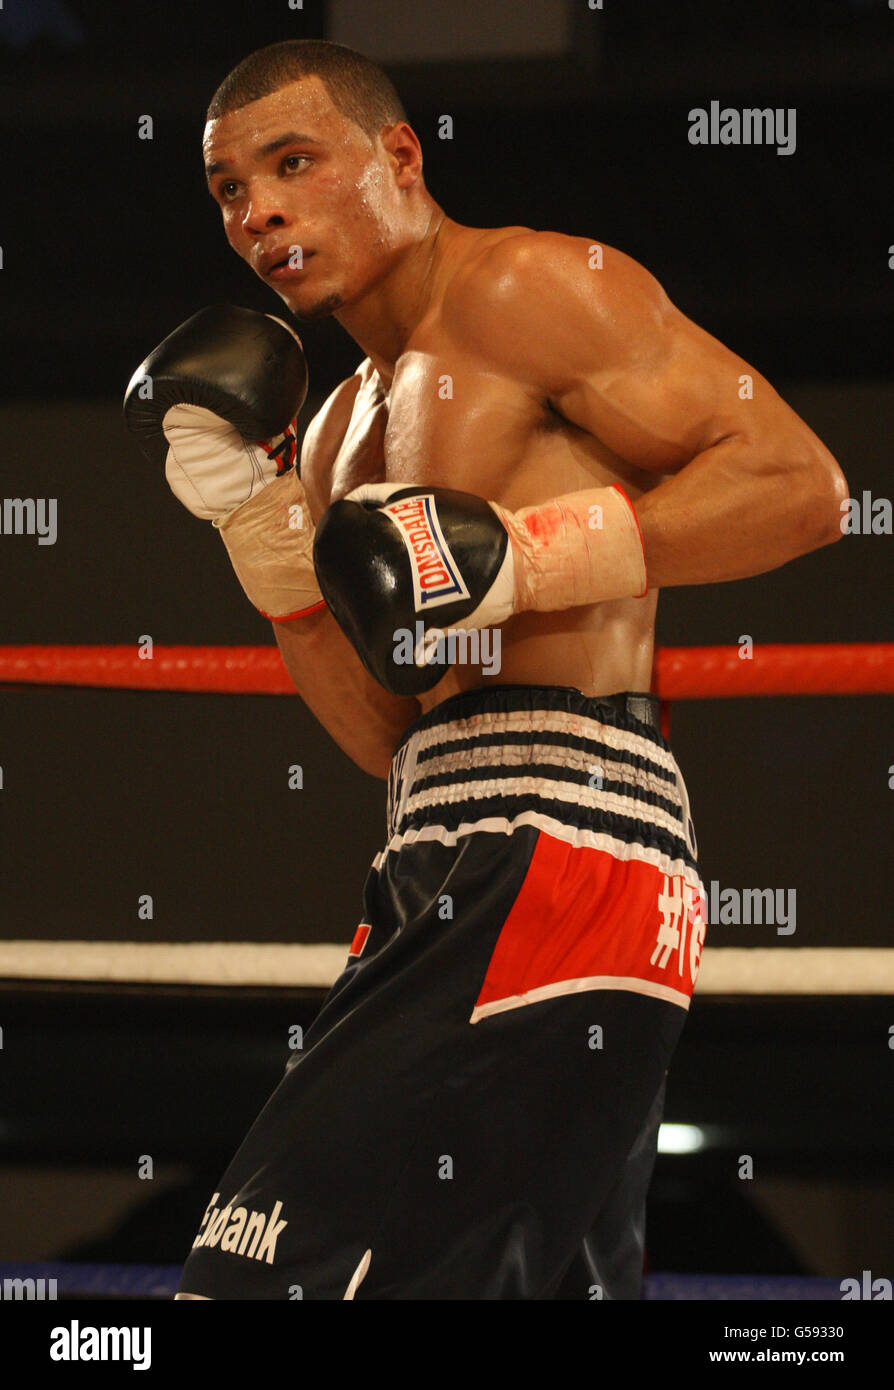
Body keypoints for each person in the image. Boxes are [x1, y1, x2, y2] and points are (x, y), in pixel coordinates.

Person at [130, 39, 847, 1299]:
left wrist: (525, 558)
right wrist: (261, 532)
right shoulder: (340, 428)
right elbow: (380, 731)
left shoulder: (531, 285)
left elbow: (801, 487)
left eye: (293, 163)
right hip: (440, 845)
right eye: (231, 191)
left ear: (398, 155)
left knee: (258, 1277)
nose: (261, 213)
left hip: (565, 842)